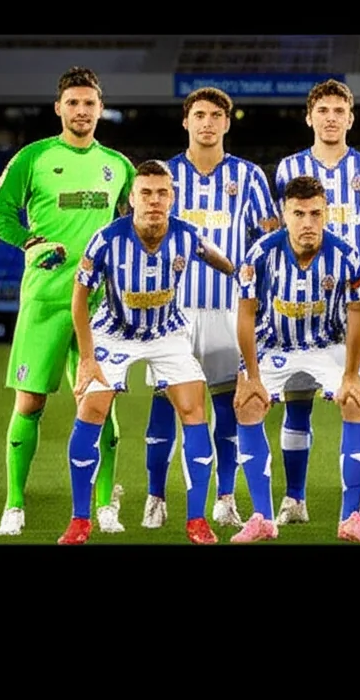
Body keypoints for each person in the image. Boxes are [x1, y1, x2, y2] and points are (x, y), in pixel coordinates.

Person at [0, 66, 137, 538]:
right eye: (73, 103)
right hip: (47, 300)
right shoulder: (32, 158)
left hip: (100, 305)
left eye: (89, 103)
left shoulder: (118, 166)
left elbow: (135, 223)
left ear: (100, 108)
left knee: (101, 404)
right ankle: (14, 503)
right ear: (59, 108)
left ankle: (104, 505)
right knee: (30, 402)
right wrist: (29, 242)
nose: (81, 111)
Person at [60, 159, 239, 545]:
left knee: (194, 409)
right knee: (91, 409)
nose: (154, 200)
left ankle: (196, 520)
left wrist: (233, 267)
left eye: (162, 193)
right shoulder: (107, 239)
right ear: (132, 198)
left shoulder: (187, 236)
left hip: (167, 333)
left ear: (172, 198)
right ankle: (79, 520)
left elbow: (222, 262)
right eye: (146, 192)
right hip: (113, 333)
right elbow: (79, 299)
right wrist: (88, 359)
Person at [141, 86, 279, 533]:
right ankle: (156, 496)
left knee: (228, 407)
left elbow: (270, 234)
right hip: (172, 314)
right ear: (186, 121)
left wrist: (258, 286)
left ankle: (224, 497)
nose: (206, 122)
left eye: (215, 115)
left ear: (226, 122)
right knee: (166, 407)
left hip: (228, 310)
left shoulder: (250, 177)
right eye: (198, 114)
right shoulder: (165, 176)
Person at [272, 79, 360, 528]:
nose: (330, 117)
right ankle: (294, 498)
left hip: (351, 308)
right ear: (310, 117)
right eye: (322, 109)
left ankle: (355, 501)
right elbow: (275, 227)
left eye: (338, 110)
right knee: (298, 404)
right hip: (299, 307)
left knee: (357, 402)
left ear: (350, 117)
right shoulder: (289, 168)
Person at [230, 174, 360, 543]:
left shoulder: (346, 255)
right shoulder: (261, 253)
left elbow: (358, 314)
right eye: (299, 214)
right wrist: (250, 374)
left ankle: (351, 518)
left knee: (354, 401)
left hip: (326, 344)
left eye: (315, 213)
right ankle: (263, 517)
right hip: (273, 345)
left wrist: (350, 373)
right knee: (248, 405)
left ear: (326, 213)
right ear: (285, 214)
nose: (308, 222)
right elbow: (246, 314)